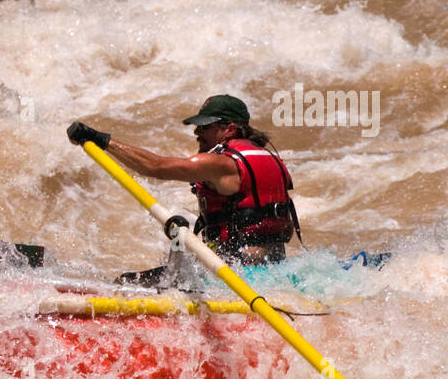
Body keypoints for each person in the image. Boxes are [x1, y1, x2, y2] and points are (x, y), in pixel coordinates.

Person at [67, 94, 300, 277]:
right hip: (272, 270)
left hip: (235, 275)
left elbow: (155, 166)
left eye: (205, 126)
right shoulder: (270, 159)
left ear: (229, 129)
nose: (197, 132)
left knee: (126, 281)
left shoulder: (221, 163)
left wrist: (101, 140)